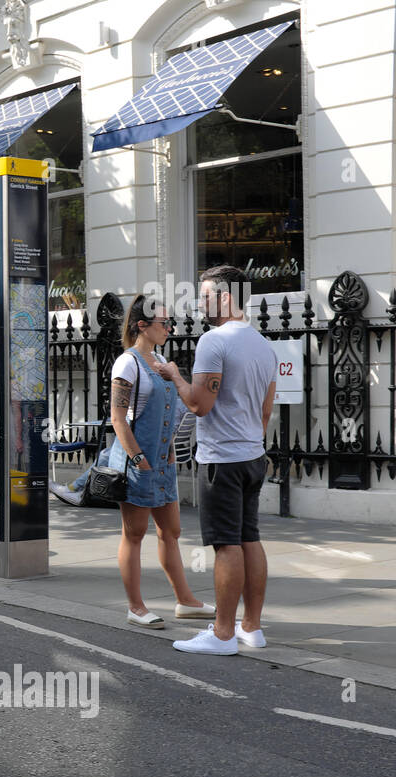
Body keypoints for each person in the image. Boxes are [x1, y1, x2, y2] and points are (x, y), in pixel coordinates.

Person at [155, 265, 277, 656]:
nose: (198, 303)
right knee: (249, 539)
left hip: (222, 459)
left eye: (205, 295)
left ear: (225, 298)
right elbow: (264, 414)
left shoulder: (213, 341)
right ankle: (251, 628)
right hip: (252, 456)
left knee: (226, 545)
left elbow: (199, 404)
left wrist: (174, 375)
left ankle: (223, 634)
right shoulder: (263, 345)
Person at [105, 294, 213, 630]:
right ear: (142, 326)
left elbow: (173, 409)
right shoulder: (129, 363)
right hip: (136, 461)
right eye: (164, 323)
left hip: (162, 460)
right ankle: (136, 607)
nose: (170, 327)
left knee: (171, 531)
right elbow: (118, 418)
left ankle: (186, 601)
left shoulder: (162, 360)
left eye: (170, 322)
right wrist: (138, 459)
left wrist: (167, 450)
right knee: (134, 533)